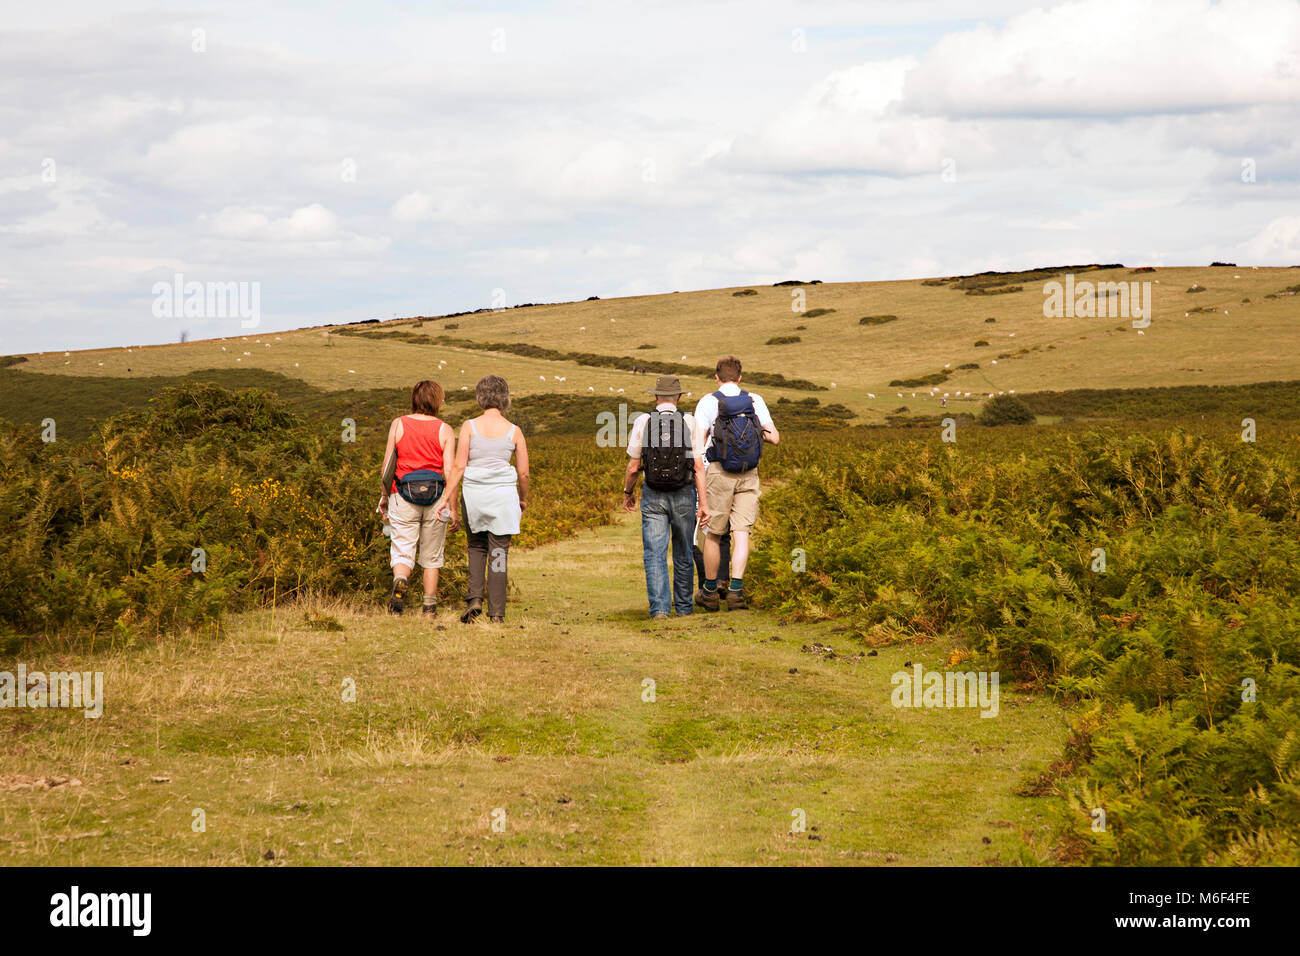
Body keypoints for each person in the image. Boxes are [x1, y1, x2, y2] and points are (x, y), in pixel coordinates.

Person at [692, 355, 779, 611]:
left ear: (716, 377)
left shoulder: (708, 402)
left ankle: (709, 591)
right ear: (740, 378)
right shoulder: (755, 400)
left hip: (719, 472)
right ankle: (736, 593)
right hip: (749, 472)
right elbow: (774, 437)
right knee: (741, 533)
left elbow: (697, 447)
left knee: (713, 534)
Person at [442, 375, 529, 624]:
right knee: (499, 551)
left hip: (474, 497)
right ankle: (497, 612)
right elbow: (523, 472)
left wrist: (447, 499)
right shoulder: (515, 431)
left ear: (480, 397)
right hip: (503, 498)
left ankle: (475, 599)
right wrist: (523, 499)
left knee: (477, 547)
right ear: (505, 398)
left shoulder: (469, 426)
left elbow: (459, 466)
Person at [622, 375, 708, 619]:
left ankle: (659, 609)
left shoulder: (643, 421)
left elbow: (632, 467)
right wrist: (704, 503)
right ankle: (683, 608)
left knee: (654, 553)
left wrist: (628, 493)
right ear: (679, 397)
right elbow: (699, 467)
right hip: (684, 492)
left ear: (655, 396)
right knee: (683, 551)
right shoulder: (690, 421)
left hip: (653, 494)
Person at [378, 380, 457, 616]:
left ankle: (400, 580)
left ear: (414, 399)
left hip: (402, 494)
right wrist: (452, 507)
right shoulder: (445, 429)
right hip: (436, 498)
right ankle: (429, 608)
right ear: (437, 401)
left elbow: (387, 465)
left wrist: (384, 496)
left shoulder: (398, 424)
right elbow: (450, 472)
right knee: (432, 555)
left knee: (402, 549)